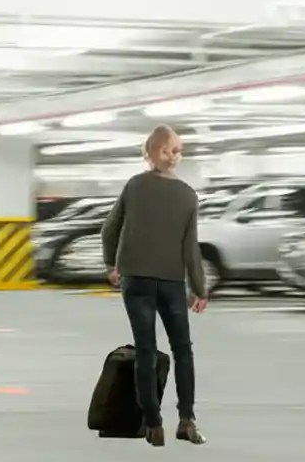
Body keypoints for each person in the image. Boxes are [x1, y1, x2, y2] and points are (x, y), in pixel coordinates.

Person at [101, 124, 208, 447]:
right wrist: (199, 288)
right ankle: (186, 420)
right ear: (150, 153)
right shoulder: (187, 195)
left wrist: (112, 265)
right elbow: (191, 248)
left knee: (145, 351)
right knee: (183, 351)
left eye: (177, 150)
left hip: (135, 280)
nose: (173, 155)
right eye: (168, 149)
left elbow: (110, 229)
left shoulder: (134, 186)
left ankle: (152, 425)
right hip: (172, 281)